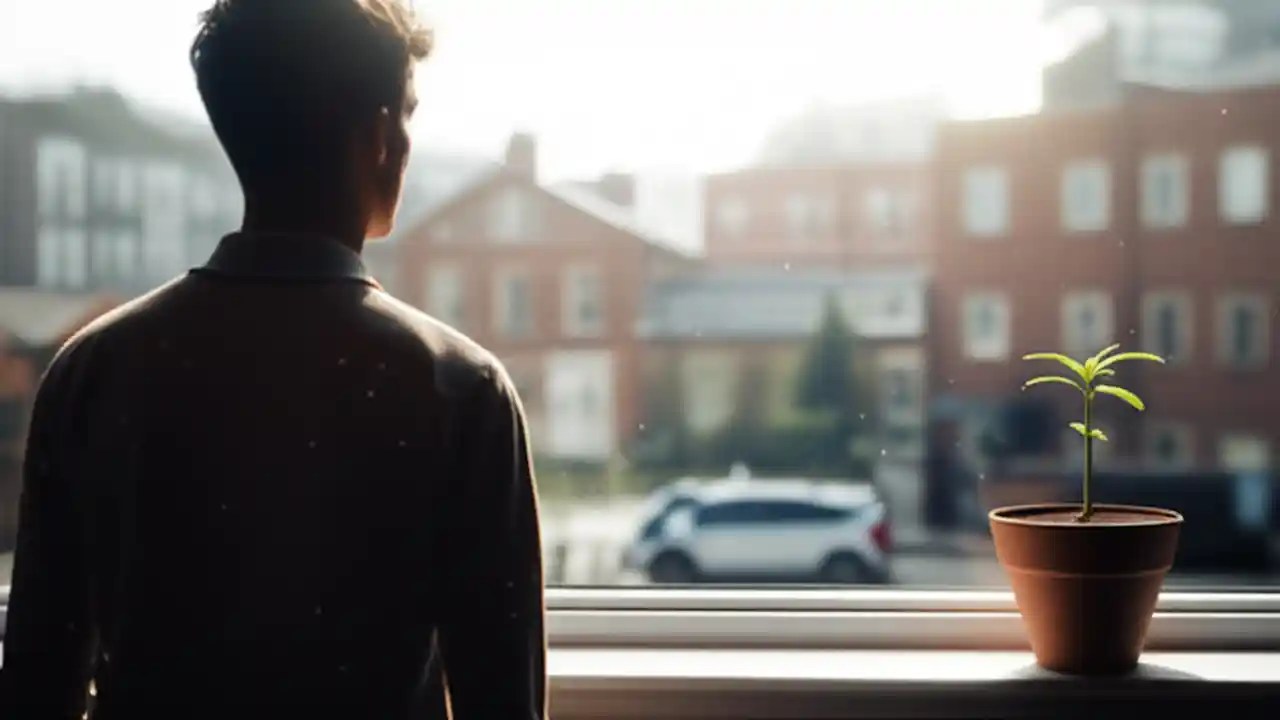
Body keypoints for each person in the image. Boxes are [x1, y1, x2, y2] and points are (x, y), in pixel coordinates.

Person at [0, 1, 547, 718]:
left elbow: (38, 684)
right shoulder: (458, 387)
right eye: (407, 115)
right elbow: (501, 700)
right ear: (381, 136)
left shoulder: (92, 372)